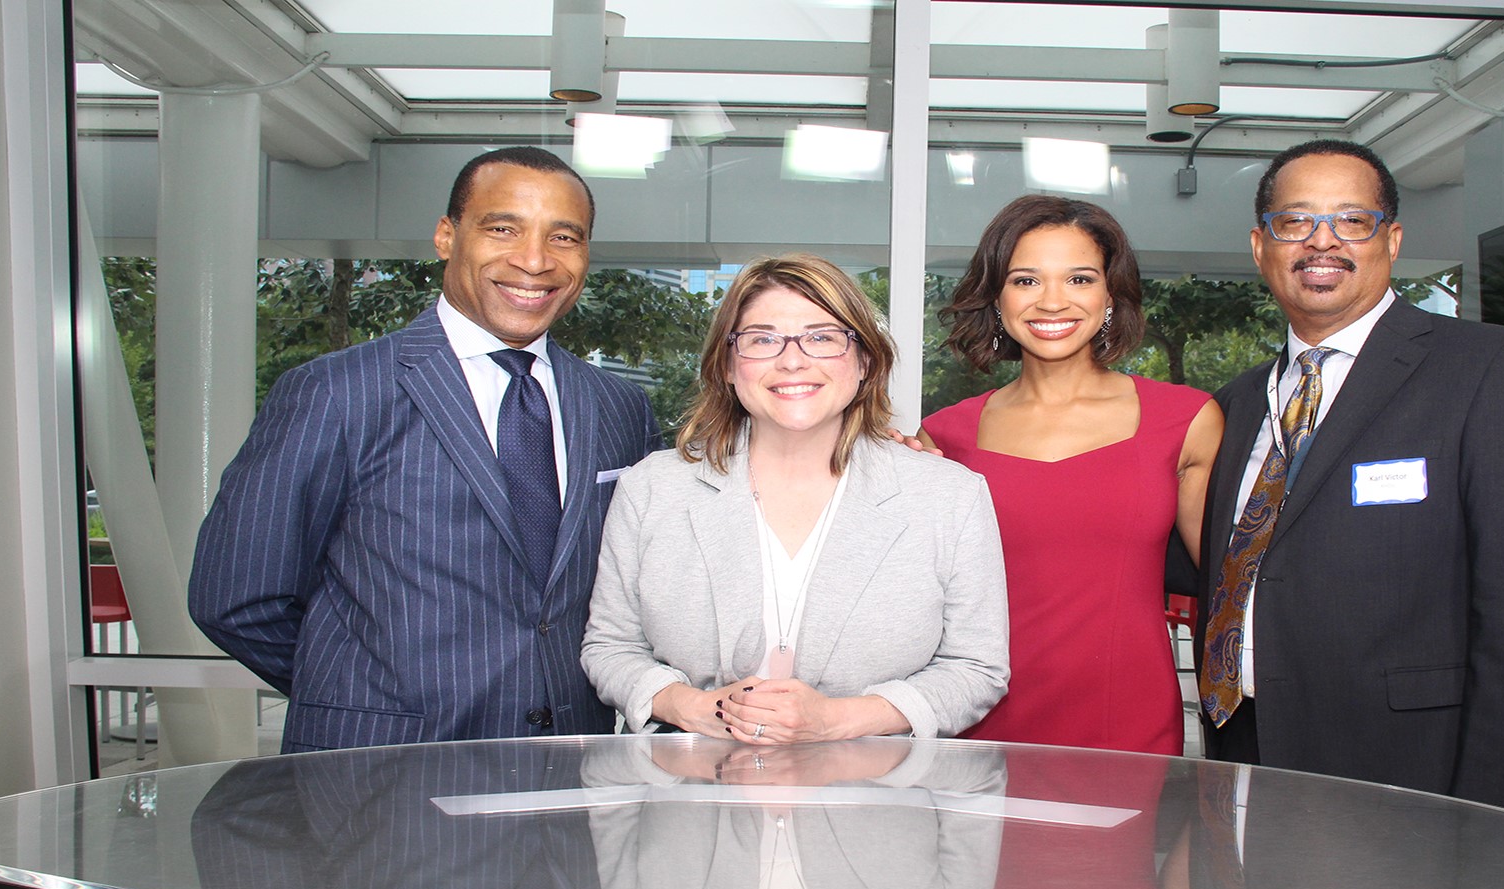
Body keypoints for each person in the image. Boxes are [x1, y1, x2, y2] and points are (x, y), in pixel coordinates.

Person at [1188, 138, 1504, 889]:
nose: (1320, 241)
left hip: (1408, 798)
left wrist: (1497, 828)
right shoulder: (1241, 403)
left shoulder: (1496, 371)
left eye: (1351, 220)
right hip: (1254, 781)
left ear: (1393, 239)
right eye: (1294, 221)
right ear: (1260, 247)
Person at [190, 146, 662, 752]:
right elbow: (236, 596)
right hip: (380, 776)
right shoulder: (336, 392)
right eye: (502, 229)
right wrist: (364, 692)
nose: (535, 260)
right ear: (447, 236)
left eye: (564, 237)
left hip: (567, 774)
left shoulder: (618, 407)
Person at [581, 253, 1009, 745]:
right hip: (692, 796)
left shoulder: (949, 496)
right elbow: (610, 647)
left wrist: (836, 720)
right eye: (762, 339)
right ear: (726, 364)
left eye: (822, 337)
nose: (792, 359)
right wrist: (695, 708)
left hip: (875, 805)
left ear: (865, 361)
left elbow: (976, 668)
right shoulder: (652, 488)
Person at [922, 194, 1223, 756]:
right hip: (978, 718)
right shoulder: (943, 437)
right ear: (997, 297)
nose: (1053, 302)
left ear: (1111, 294)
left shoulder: (1185, 420)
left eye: (1080, 279)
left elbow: (1234, 585)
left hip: (1125, 719)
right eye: (1027, 280)